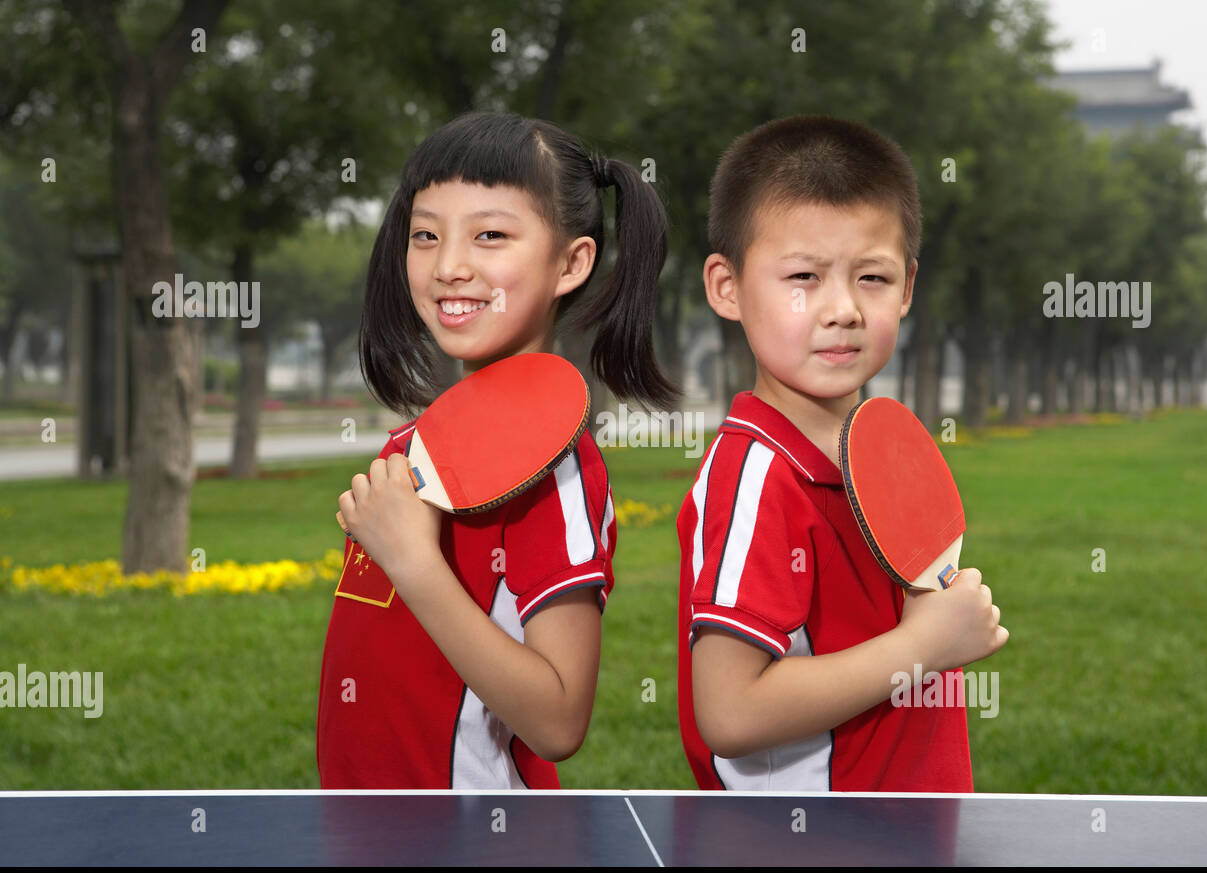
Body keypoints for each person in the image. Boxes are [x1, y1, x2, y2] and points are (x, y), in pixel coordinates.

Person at [319, 110, 677, 789]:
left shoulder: (555, 471)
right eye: (425, 235)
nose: (450, 266)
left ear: (571, 263)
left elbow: (559, 720)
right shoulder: (415, 443)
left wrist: (412, 562)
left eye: (490, 235)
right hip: (372, 834)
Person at [677, 115, 1009, 791]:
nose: (843, 309)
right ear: (727, 287)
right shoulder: (757, 475)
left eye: (873, 279)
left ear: (909, 288)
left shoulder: (880, 456)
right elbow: (730, 711)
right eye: (803, 276)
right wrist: (922, 648)